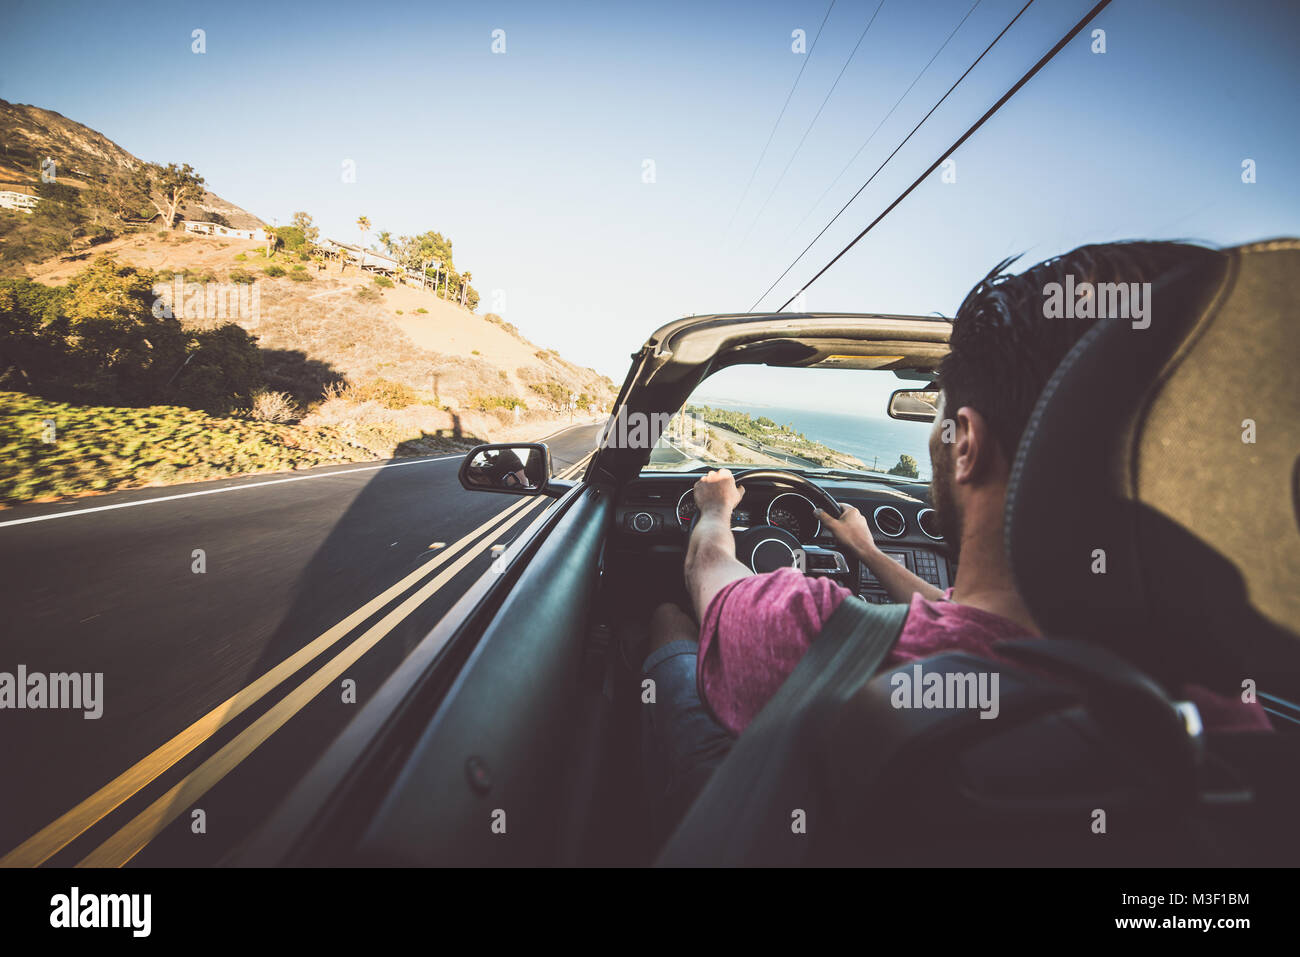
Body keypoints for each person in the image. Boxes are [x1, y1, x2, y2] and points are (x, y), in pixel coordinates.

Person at [640, 241, 1272, 843]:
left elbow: (710, 573)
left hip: (744, 809)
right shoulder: (1223, 724)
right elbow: (963, 615)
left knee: (670, 621)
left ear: (965, 444)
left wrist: (716, 507)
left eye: (938, 418)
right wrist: (868, 552)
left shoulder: (811, 636)